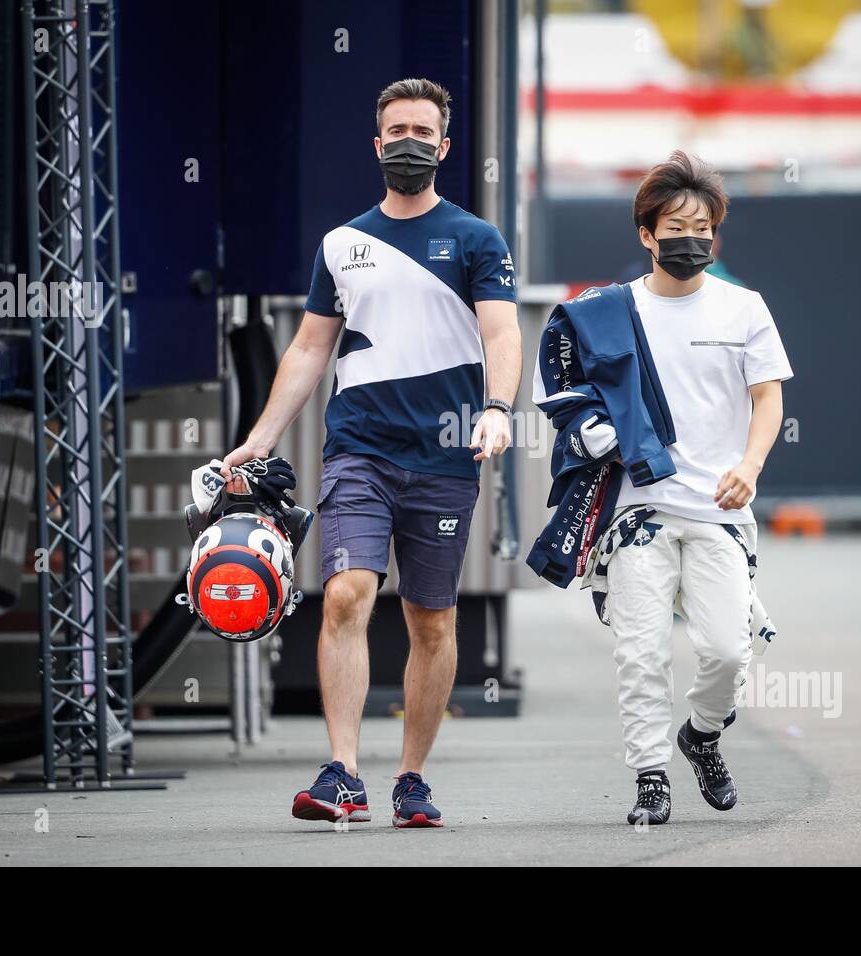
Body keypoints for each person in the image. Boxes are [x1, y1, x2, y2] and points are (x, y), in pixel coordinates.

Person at [220, 78, 521, 828]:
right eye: (398, 130)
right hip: (358, 450)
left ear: (445, 147)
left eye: (425, 130)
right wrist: (258, 438)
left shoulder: (478, 240)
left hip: (448, 457)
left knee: (432, 622)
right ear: (377, 143)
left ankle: (411, 778)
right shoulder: (341, 244)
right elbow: (307, 350)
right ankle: (342, 772)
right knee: (349, 594)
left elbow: (503, 335)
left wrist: (497, 409)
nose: (411, 141)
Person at [532, 150, 791, 825]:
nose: (691, 239)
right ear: (646, 234)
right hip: (634, 514)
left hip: (719, 509)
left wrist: (751, 466)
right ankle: (650, 775)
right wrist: (589, 430)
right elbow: (557, 388)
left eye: (703, 227)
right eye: (676, 227)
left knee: (729, 650)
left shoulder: (744, 310)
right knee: (641, 652)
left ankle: (701, 735)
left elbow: (768, 401)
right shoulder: (605, 314)